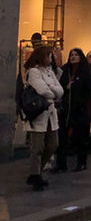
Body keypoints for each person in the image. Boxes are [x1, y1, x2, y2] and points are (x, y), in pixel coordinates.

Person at [23, 46, 63, 190]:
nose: (51, 58)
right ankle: (36, 175)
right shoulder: (34, 71)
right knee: (37, 147)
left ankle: (36, 173)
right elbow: (42, 90)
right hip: (38, 113)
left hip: (51, 114)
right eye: (49, 55)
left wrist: (51, 89)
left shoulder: (50, 72)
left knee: (53, 144)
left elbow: (60, 90)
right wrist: (52, 90)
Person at [59, 48, 91, 172]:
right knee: (62, 137)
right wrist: (66, 88)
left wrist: (81, 101)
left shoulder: (85, 72)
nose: (73, 57)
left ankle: (81, 162)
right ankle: (61, 164)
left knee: (81, 137)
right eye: (71, 55)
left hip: (80, 110)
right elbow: (59, 87)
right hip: (66, 109)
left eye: (76, 55)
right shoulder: (65, 70)